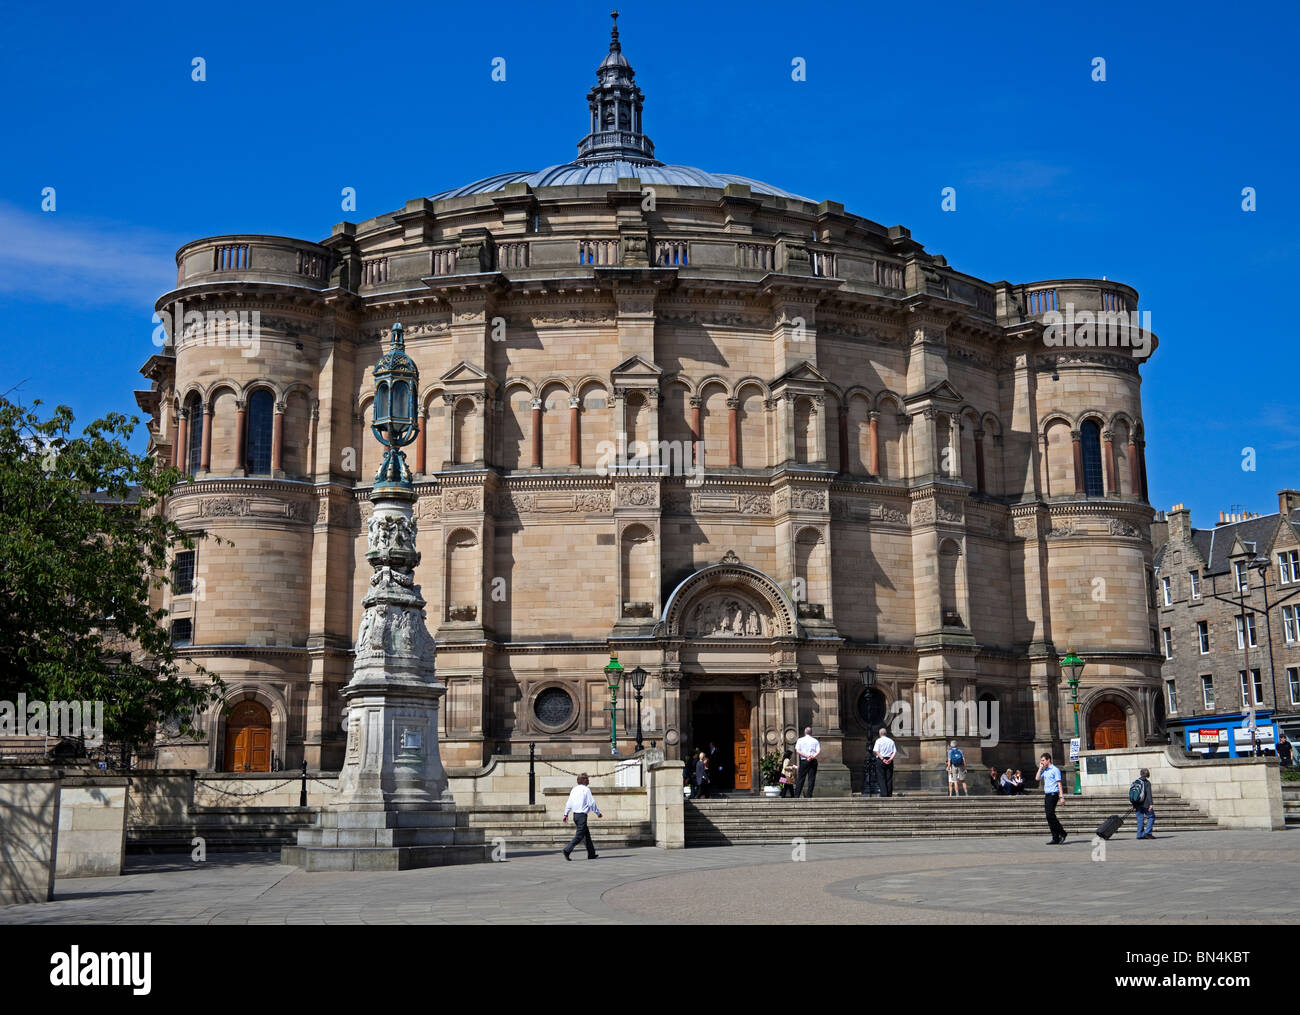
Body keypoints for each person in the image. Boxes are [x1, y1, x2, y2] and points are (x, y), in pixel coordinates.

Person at [561, 773, 602, 860]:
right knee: (579, 835)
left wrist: (566, 814)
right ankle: (567, 850)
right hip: (582, 816)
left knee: (586, 835)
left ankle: (591, 853)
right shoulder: (586, 790)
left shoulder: (574, 790)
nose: (589, 781)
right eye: (587, 779)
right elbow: (592, 803)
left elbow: (569, 803)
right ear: (584, 780)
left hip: (575, 815)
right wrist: (598, 813)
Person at [1036, 752, 1066, 845]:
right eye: (1041, 760)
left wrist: (1061, 796)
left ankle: (1062, 832)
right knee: (1049, 817)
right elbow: (1037, 778)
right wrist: (1040, 768)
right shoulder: (1045, 770)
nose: (1042, 762)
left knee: (1050, 815)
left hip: (1053, 794)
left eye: (1043, 760)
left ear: (1048, 760)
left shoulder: (1055, 770)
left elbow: (1059, 784)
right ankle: (1055, 838)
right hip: (1047, 795)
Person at [794, 727, 821, 797]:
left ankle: (797, 795)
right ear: (811, 733)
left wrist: (806, 756)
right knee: (811, 778)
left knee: (801, 778)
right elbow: (818, 751)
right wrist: (811, 756)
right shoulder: (815, 741)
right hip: (813, 760)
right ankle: (809, 795)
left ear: (804, 733)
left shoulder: (800, 740)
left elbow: (798, 750)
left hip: (804, 760)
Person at [873, 726, 897, 797]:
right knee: (889, 777)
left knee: (881, 777)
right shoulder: (891, 741)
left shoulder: (878, 741)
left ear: (880, 734)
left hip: (881, 760)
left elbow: (876, 751)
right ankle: (889, 794)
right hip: (889, 760)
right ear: (886, 734)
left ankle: (884, 794)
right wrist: (890, 759)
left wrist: (882, 759)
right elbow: (894, 751)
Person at [1133, 766, 1155, 839]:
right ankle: (1147, 833)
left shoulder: (1136, 781)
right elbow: (1149, 794)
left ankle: (1139, 835)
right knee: (1151, 817)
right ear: (1147, 774)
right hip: (1146, 804)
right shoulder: (1147, 782)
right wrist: (1151, 804)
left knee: (1140, 819)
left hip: (1137, 803)